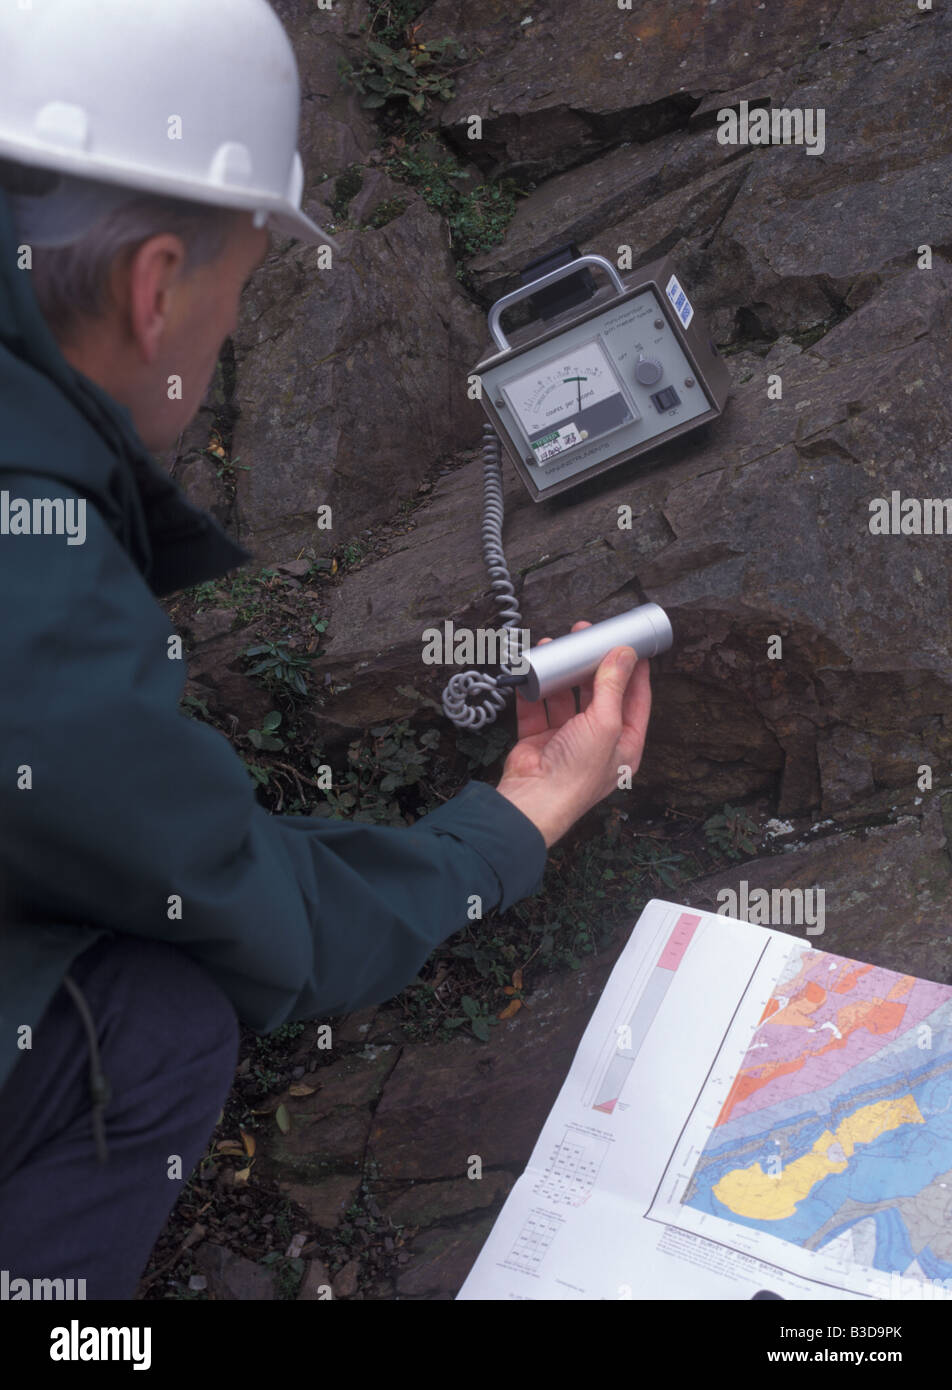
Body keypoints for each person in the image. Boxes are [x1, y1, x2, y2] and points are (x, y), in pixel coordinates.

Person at [0, 0, 652, 1299]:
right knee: (161, 1027)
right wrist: (510, 826)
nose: (230, 332)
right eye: (237, 296)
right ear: (156, 286)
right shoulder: (38, 580)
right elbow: (233, 899)